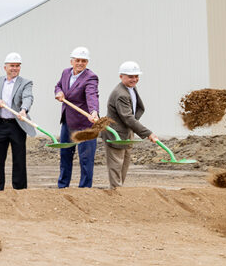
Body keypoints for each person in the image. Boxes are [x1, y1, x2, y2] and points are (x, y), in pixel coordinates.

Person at [0, 52, 36, 191]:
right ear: (5, 67)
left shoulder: (25, 83)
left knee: (19, 159)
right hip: (0, 124)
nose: (15, 68)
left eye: (17, 66)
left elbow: (28, 98)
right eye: (12, 65)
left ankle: (19, 190)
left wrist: (24, 110)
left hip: (17, 125)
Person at [103, 61, 158, 189]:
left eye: (136, 76)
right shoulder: (120, 94)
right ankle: (116, 192)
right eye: (130, 76)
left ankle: (119, 192)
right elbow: (127, 117)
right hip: (115, 133)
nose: (134, 79)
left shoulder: (131, 88)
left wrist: (133, 127)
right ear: (121, 76)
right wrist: (148, 133)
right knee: (116, 165)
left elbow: (134, 113)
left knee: (124, 164)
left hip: (127, 132)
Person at [54, 46, 100, 188]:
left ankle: (85, 189)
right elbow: (58, 86)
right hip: (67, 121)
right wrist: (59, 92)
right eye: (78, 60)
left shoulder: (91, 77)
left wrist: (94, 112)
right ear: (72, 61)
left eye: (84, 61)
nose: (80, 63)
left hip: (84, 123)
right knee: (65, 155)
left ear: (87, 62)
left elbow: (92, 95)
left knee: (86, 158)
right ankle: (62, 186)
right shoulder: (65, 73)